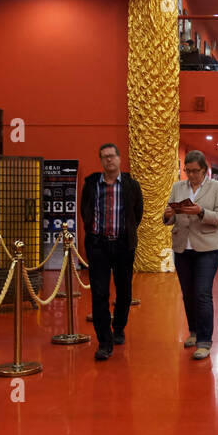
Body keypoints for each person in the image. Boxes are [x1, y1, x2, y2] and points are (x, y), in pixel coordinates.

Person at [79, 143, 144, 360]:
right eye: (104, 157)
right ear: (101, 160)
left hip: (123, 245)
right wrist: (92, 234)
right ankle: (104, 342)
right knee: (99, 294)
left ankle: (118, 327)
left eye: (112, 156)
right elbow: (85, 211)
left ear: (119, 158)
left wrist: (127, 233)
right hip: (98, 246)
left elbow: (138, 212)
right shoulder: (91, 185)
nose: (109, 160)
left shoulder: (130, 185)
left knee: (124, 291)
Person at [164, 150, 218, 361]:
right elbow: (170, 216)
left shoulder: (217, 188)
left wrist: (200, 212)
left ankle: (204, 341)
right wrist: (168, 215)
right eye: (187, 171)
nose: (191, 175)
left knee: (202, 293)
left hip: (208, 248)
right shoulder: (178, 187)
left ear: (204, 170)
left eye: (195, 171)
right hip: (183, 247)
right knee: (188, 293)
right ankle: (192, 331)